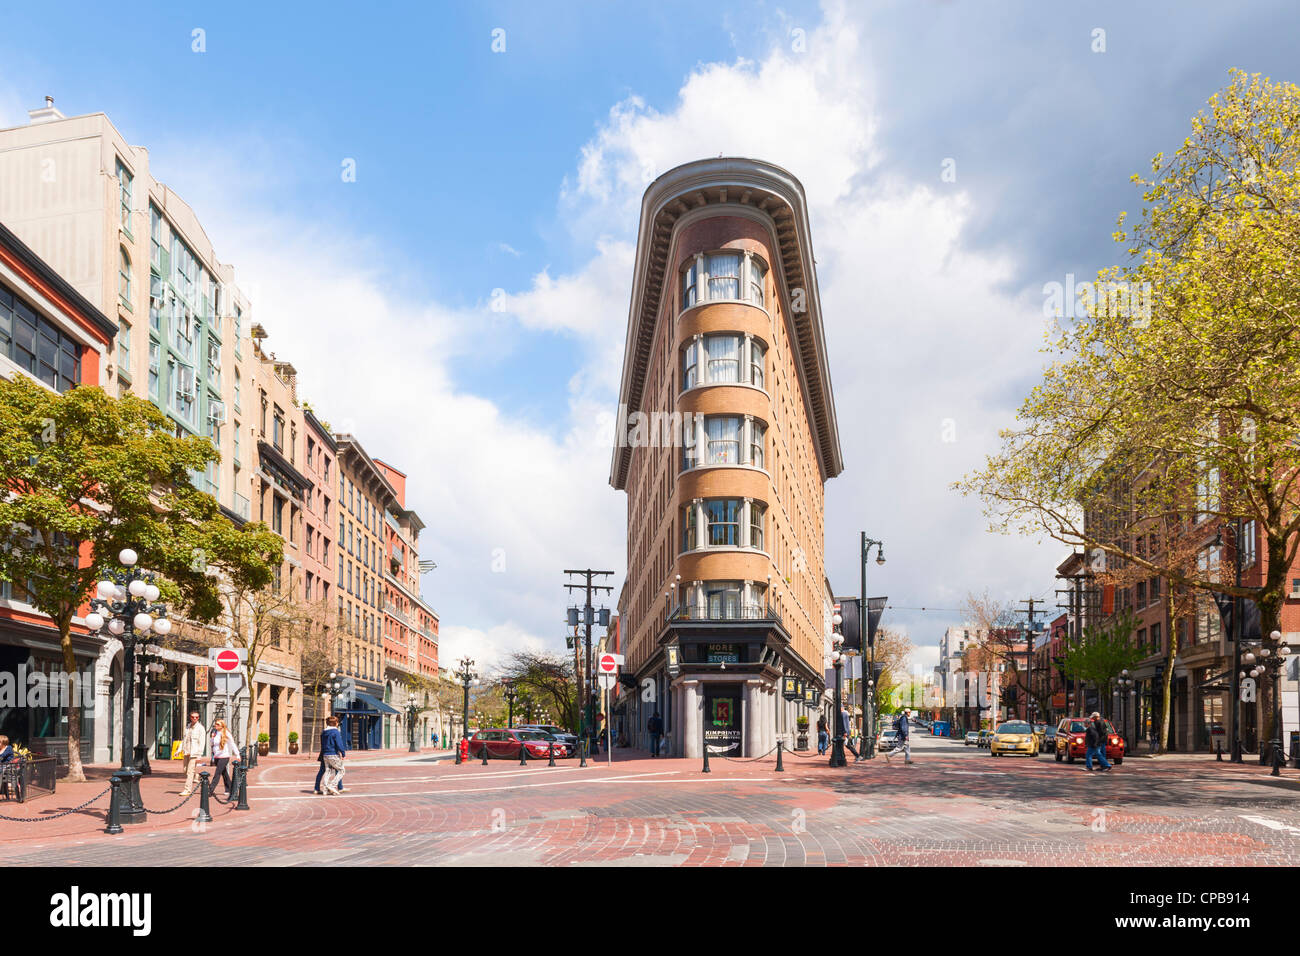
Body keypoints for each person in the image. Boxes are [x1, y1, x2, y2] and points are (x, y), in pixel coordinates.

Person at [208, 719, 241, 796]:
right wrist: (212, 738)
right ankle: (230, 788)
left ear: (222, 725)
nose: (216, 725)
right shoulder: (215, 733)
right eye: (215, 724)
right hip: (216, 756)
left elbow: (232, 744)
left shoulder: (226, 733)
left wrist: (237, 754)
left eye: (218, 724)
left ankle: (210, 790)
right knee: (224, 773)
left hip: (224, 756)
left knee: (217, 773)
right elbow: (211, 744)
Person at [178, 711, 206, 796]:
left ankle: (187, 789)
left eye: (196, 717)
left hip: (194, 753)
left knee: (190, 772)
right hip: (187, 752)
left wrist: (199, 755)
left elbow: (202, 742)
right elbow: (184, 740)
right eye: (193, 717)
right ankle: (197, 776)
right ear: (190, 717)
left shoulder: (200, 728)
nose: (195, 719)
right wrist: (179, 750)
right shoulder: (188, 727)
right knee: (185, 770)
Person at [320, 715, 347, 795]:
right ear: (335, 723)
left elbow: (322, 743)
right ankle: (332, 785)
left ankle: (325, 789)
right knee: (342, 770)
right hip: (333, 754)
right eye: (337, 722)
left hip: (325, 754)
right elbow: (339, 743)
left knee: (328, 770)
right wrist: (343, 753)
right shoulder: (335, 732)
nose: (338, 724)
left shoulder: (324, 732)